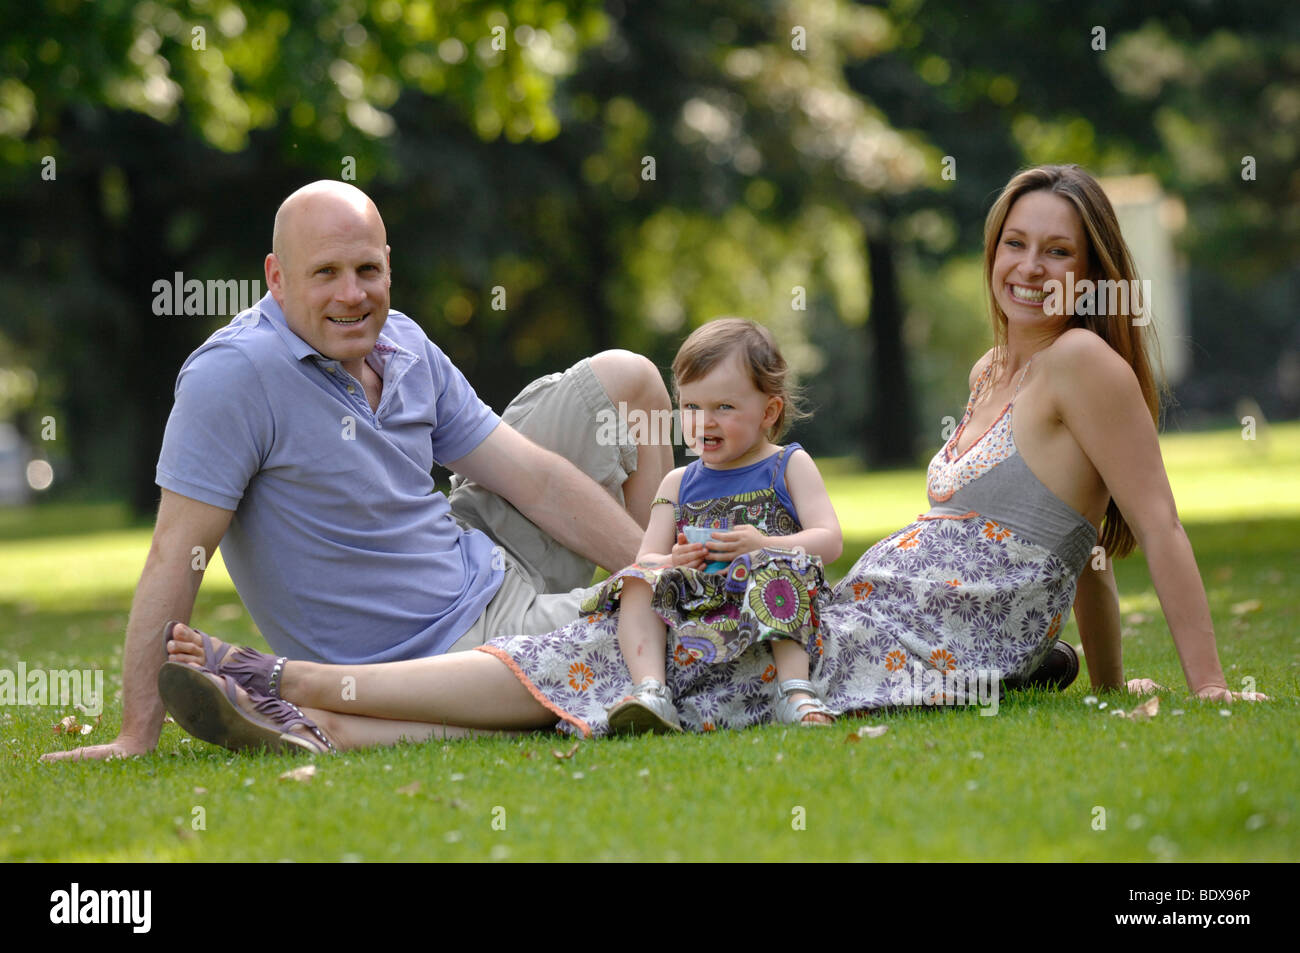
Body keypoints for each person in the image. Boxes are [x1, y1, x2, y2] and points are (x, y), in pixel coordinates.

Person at [149, 163, 1266, 757]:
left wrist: (1203, 686)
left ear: (1090, 267)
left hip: (908, 630)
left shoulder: (1081, 363)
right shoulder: (995, 373)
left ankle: (292, 683)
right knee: (625, 644)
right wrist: (1108, 681)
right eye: (1013, 243)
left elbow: (1147, 525)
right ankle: (334, 719)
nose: (1027, 267)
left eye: (1055, 250)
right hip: (871, 601)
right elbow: (1085, 553)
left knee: (629, 656)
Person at [41, 180, 674, 763]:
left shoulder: (402, 341)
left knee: (630, 381)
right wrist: (135, 734)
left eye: (368, 269)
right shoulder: (234, 376)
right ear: (277, 277)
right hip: (422, 655)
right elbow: (176, 552)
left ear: (389, 264)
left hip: (483, 563)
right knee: (648, 656)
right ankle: (344, 712)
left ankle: (683, 591)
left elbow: (531, 479)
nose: (353, 294)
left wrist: (659, 577)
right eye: (326, 274)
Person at [594, 318, 842, 733]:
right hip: (699, 598)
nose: (702, 422)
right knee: (637, 579)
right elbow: (647, 557)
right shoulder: (678, 483)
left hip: (767, 596)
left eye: (723, 407)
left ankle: (796, 691)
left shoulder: (787, 465)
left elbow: (830, 541)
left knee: (776, 564)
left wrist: (764, 544)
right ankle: (650, 690)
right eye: (691, 407)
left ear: (769, 411)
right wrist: (674, 559)